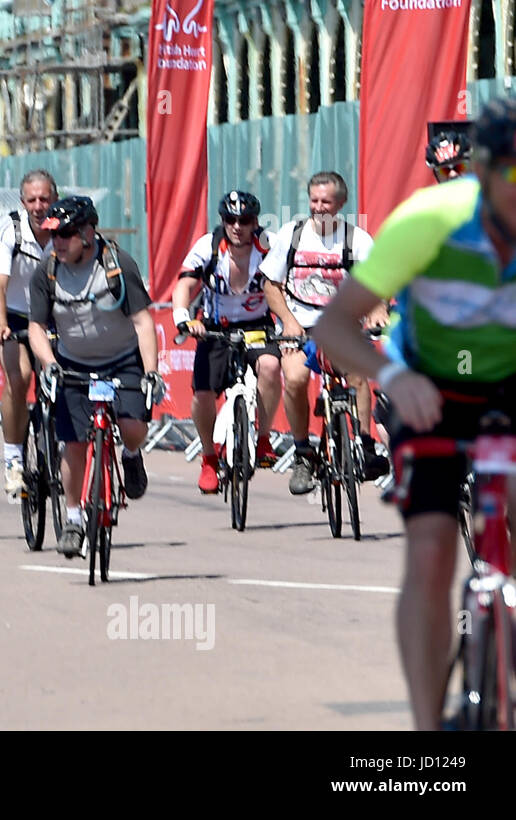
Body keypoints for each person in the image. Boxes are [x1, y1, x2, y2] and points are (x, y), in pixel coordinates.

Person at [309, 97, 516, 729]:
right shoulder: (430, 219)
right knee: (430, 554)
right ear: (481, 172)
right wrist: (393, 376)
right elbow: (335, 328)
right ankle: (430, 732)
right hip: (431, 387)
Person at [27, 196, 163, 557]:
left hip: (122, 362)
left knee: (132, 426)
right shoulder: (48, 269)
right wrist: (49, 363)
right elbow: (37, 327)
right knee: (72, 445)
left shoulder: (118, 265)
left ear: (88, 232)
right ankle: (73, 519)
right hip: (72, 364)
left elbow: (143, 321)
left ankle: (131, 456)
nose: (57, 242)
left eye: (66, 234)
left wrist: (151, 372)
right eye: (53, 235)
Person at [258, 171, 390, 494]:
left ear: (341, 204)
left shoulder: (357, 239)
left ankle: (365, 444)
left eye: (326, 202)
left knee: (358, 374)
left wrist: (377, 309)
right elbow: (271, 285)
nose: (319, 208)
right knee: (296, 378)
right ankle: (303, 453)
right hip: (299, 325)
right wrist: (288, 321)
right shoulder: (292, 234)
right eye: (314, 201)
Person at [173, 191, 285, 493]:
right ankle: (209, 458)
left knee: (271, 367)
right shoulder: (208, 246)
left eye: (245, 221)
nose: (237, 226)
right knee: (204, 396)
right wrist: (184, 318)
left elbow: (287, 283)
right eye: (230, 220)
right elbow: (184, 283)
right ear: (223, 221)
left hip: (257, 324)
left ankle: (263, 438)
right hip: (214, 326)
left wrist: (290, 321)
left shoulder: (269, 245)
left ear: (255, 223)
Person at [0, 169, 56, 496]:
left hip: (53, 319)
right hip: (11, 317)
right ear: (23, 202)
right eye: (32, 200)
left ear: (55, 199)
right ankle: (13, 459)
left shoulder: (66, 229)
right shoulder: (8, 229)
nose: (39, 206)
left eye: (45, 199)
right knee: (20, 376)